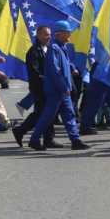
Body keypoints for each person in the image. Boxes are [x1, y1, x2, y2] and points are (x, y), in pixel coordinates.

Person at [28, 20, 89, 151]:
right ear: (60, 34)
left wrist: (72, 68)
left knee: (69, 115)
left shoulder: (62, 47)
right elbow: (54, 70)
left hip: (63, 90)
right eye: (67, 32)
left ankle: (75, 140)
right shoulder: (54, 48)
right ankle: (34, 139)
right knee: (48, 116)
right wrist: (63, 87)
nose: (69, 35)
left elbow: (66, 62)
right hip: (56, 90)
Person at [12, 25, 59, 148]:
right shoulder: (33, 51)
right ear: (38, 35)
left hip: (48, 87)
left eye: (49, 34)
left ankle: (48, 139)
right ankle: (20, 131)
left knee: (47, 113)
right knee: (41, 113)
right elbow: (35, 72)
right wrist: (47, 79)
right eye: (45, 34)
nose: (48, 37)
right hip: (39, 88)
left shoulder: (48, 49)